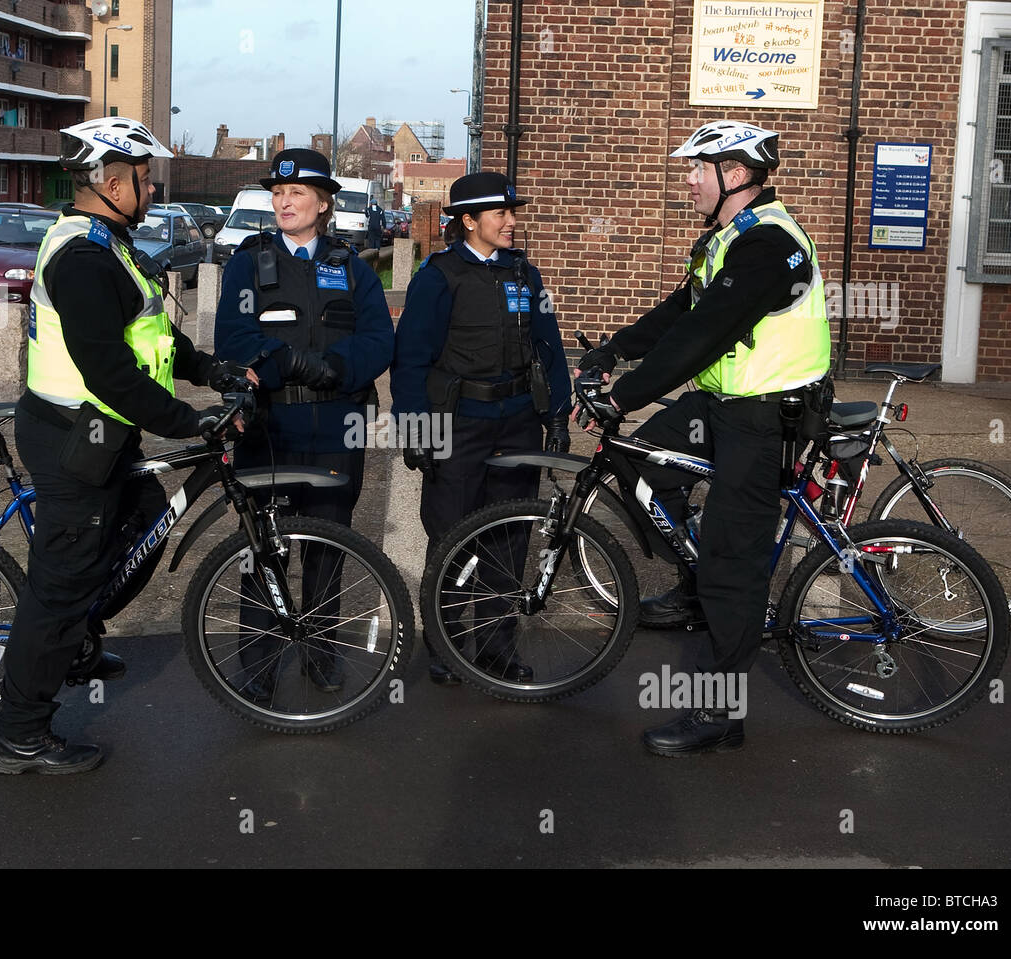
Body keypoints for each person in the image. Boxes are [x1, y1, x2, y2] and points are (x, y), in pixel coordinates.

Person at [0, 116, 248, 775]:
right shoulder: (81, 258)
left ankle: (76, 641)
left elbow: (151, 337)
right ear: (110, 182)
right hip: (74, 432)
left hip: (103, 428)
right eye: (144, 178)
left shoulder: (110, 242)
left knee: (141, 524)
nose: (153, 188)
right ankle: (20, 734)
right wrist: (190, 422)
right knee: (62, 585)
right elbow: (109, 370)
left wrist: (209, 369)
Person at [575, 120, 830, 755]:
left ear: (735, 176)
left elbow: (704, 334)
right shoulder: (726, 238)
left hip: (766, 417)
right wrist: (611, 352)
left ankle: (720, 714)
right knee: (639, 467)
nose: (687, 179)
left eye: (698, 169)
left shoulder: (769, 246)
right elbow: (678, 313)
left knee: (732, 562)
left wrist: (622, 396)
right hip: (721, 405)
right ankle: (695, 591)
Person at [214, 148, 393, 700]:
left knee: (329, 544)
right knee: (262, 548)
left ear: (323, 204)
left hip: (338, 425)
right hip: (271, 425)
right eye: (277, 194)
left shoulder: (353, 267)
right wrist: (284, 363)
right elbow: (234, 338)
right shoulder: (249, 262)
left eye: (296, 194)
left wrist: (335, 368)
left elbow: (378, 340)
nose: (283, 201)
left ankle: (321, 654)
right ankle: (260, 662)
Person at [391, 171, 572, 686]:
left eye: (513, 213)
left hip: (516, 423)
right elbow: (411, 359)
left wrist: (556, 415)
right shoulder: (438, 276)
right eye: (501, 214)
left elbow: (549, 345)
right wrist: (414, 429)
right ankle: (446, 646)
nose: (512, 222)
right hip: (458, 424)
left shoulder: (524, 274)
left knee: (510, 537)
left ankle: (496, 650)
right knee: (450, 536)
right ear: (468, 221)